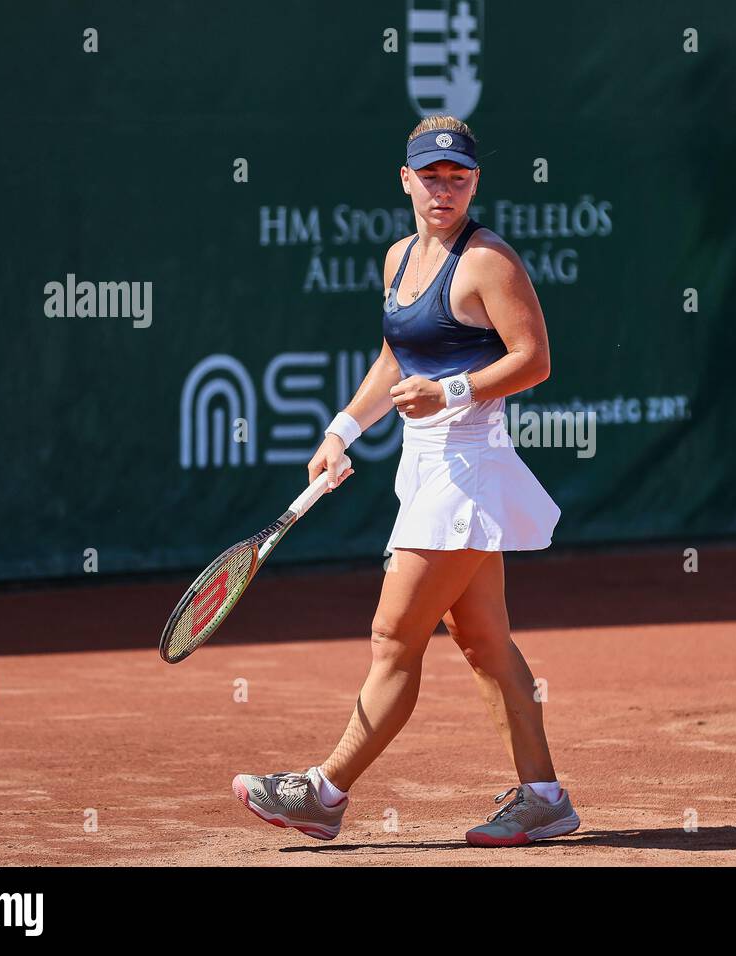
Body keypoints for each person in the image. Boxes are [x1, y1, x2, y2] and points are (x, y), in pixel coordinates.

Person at [231, 116, 580, 847]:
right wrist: (340, 432)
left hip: (470, 467)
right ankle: (544, 795)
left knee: (395, 634)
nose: (442, 190)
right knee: (482, 638)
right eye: (430, 176)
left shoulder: (489, 262)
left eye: (457, 178)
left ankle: (323, 792)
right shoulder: (398, 258)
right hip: (422, 465)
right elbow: (396, 358)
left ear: (475, 183)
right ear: (406, 179)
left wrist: (453, 392)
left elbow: (536, 359)